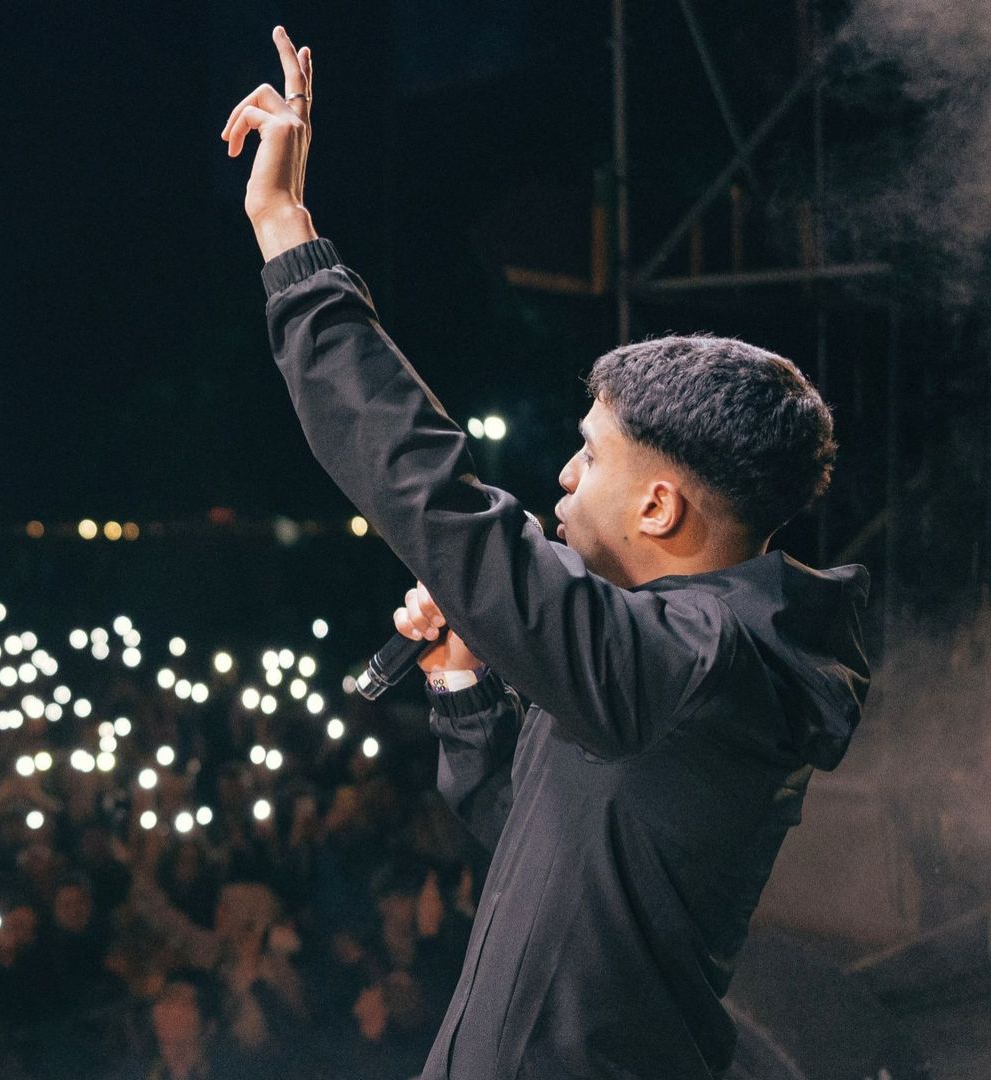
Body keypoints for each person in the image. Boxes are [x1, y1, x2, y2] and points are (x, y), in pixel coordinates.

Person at [224, 25, 870, 1079]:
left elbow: (428, 490)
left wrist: (287, 230)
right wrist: (469, 690)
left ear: (659, 506)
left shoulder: (702, 665)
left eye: (588, 455)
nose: (564, 479)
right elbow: (536, 838)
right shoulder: (666, 664)